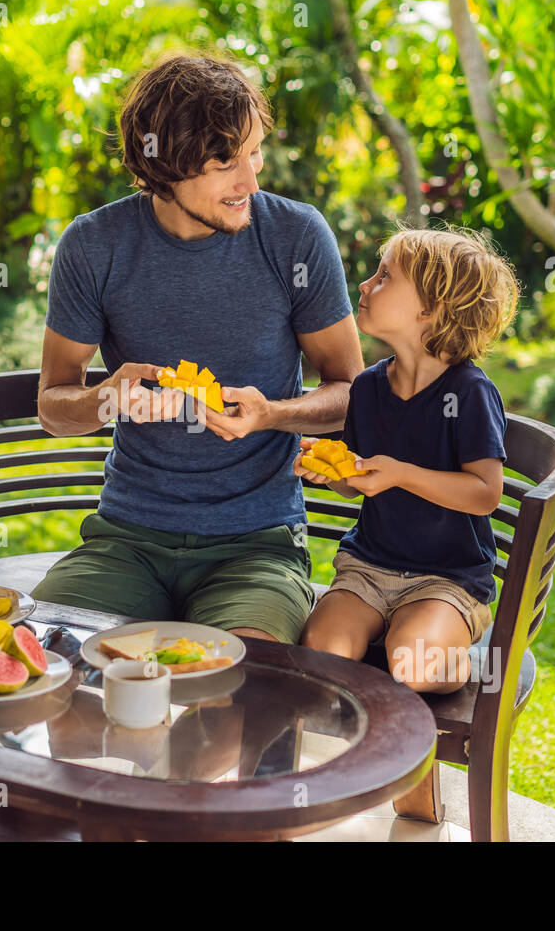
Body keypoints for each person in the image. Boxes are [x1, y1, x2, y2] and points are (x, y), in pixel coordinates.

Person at [33, 52, 363, 644]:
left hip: (257, 548)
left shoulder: (295, 237)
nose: (251, 182)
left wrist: (274, 415)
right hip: (126, 540)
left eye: (255, 151)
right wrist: (107, 399)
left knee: (241, 698)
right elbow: (54, 406)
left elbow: (349, 396)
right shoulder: (94, 246)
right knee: (49, 666)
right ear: (166, 163)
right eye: (226, 163)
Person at [297, 226, 519, 692]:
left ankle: (460, 660)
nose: (365, 285)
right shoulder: (368, 388)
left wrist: (401, 474)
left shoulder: (470, 393)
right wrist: (332, 471)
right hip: (368, 568)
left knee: (413, 664)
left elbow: (484, 494)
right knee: (322, 651)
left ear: (431, 309)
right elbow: (360, 479)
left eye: (384, 277)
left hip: (448, 580)